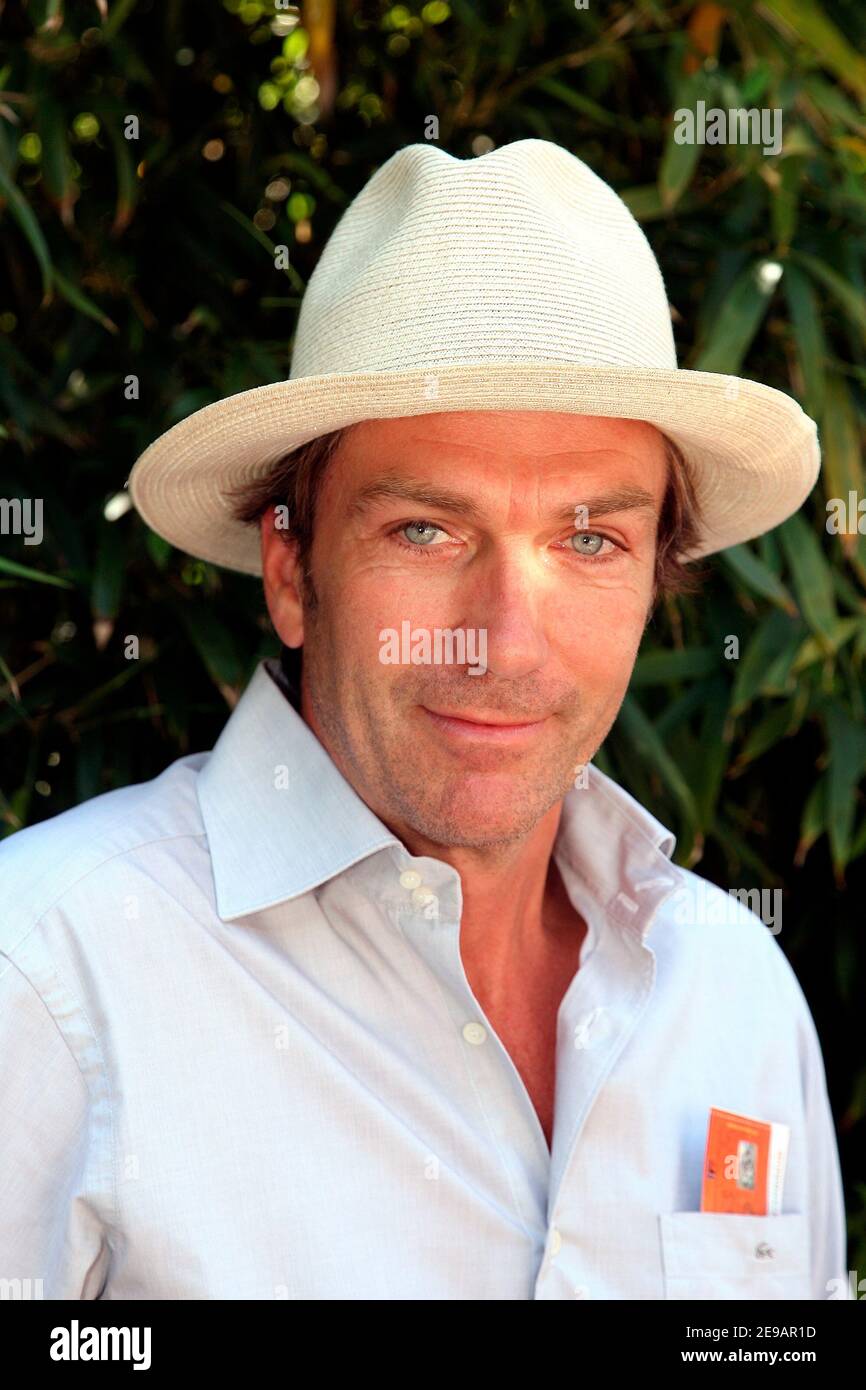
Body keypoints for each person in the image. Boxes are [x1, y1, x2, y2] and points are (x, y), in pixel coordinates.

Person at [0, 139, 846, 1300]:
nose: (503, 640)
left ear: (656, 578)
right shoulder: (45, 978)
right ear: (290, 571)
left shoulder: (731, 995)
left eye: (588, 539)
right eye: (424, 532)